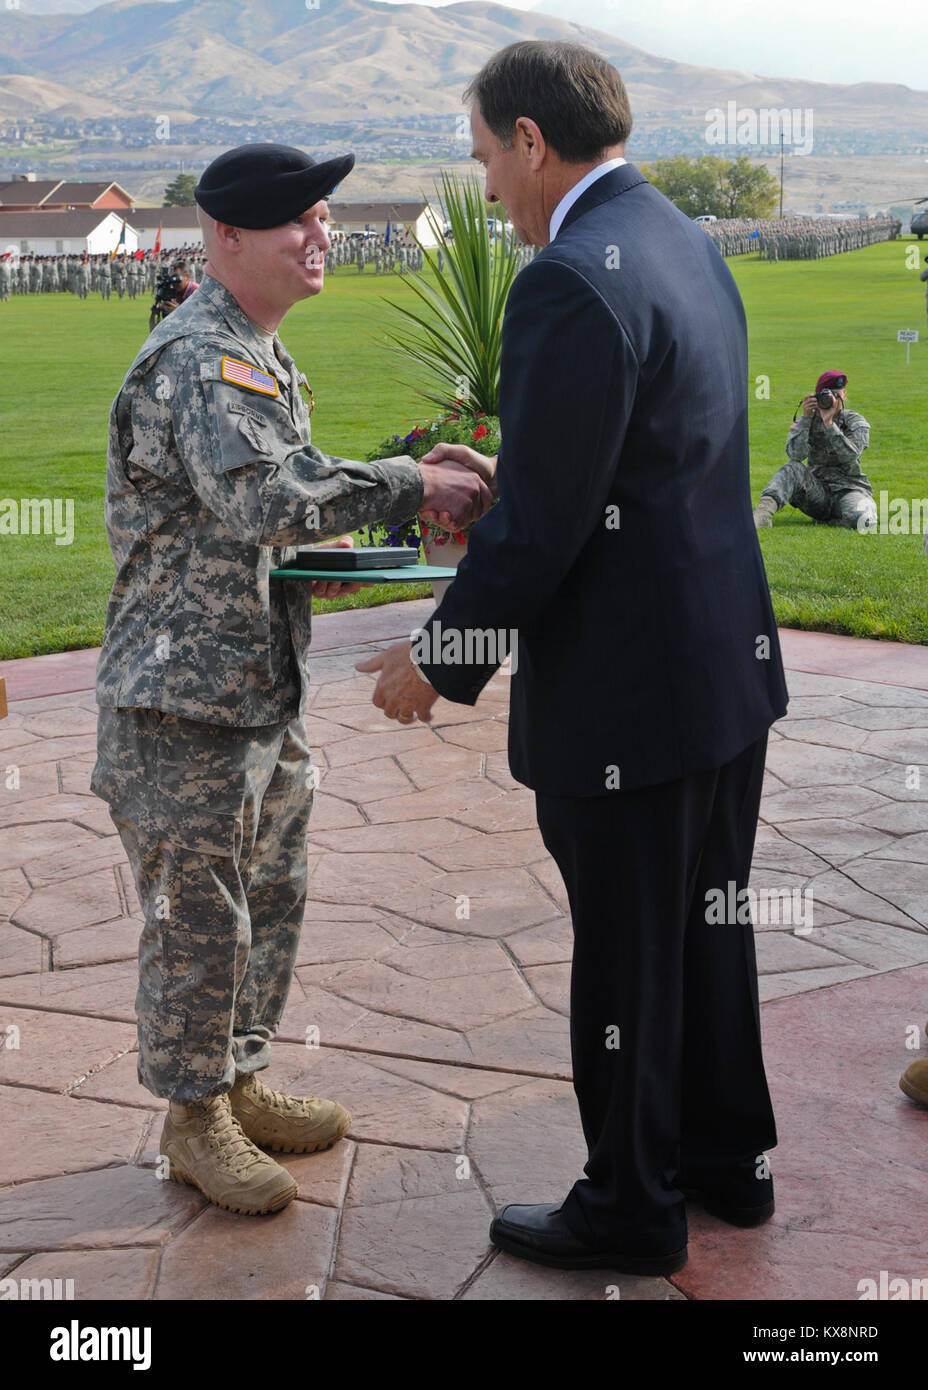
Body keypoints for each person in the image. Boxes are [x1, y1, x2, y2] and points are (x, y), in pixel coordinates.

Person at [358, 39, 788, 1275]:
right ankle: (726, 1162)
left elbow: (545, 537)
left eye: (487, 154)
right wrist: (518, 484)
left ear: (532, 142)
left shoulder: (563, 280)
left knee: (625, 953)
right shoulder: (679, 238)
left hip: (631, 698)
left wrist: (438, 663)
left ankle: (628, 1207)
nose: (487, 184)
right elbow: (637, 463)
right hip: (720, 671)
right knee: (708, 925)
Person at [89, 142, 490, 1217]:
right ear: (226, 238)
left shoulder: (259, 355)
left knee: (270, 892)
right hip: (182, 703)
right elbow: (271, 500)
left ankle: (241, 1074)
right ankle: (192, 1116)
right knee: (197, 914)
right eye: (294, 221)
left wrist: (408, 518)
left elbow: (279, 534)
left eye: (322, 216)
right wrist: (415, 480)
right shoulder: (200, 358)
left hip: (256, 686)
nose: (320, 235)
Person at [753, 372, 876, 531]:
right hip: (817, 492)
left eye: (836, 395)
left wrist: (829, 424)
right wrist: (805, 418)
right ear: (816, 397)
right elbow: (795, 455)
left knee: (864, 521)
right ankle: (762, 514)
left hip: (850, 489)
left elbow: (850, 455)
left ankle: (831, 521)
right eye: (827, 396)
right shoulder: (808, 420)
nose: (832, 401)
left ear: (844, 395)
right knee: (792, 468)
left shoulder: (855, 422)